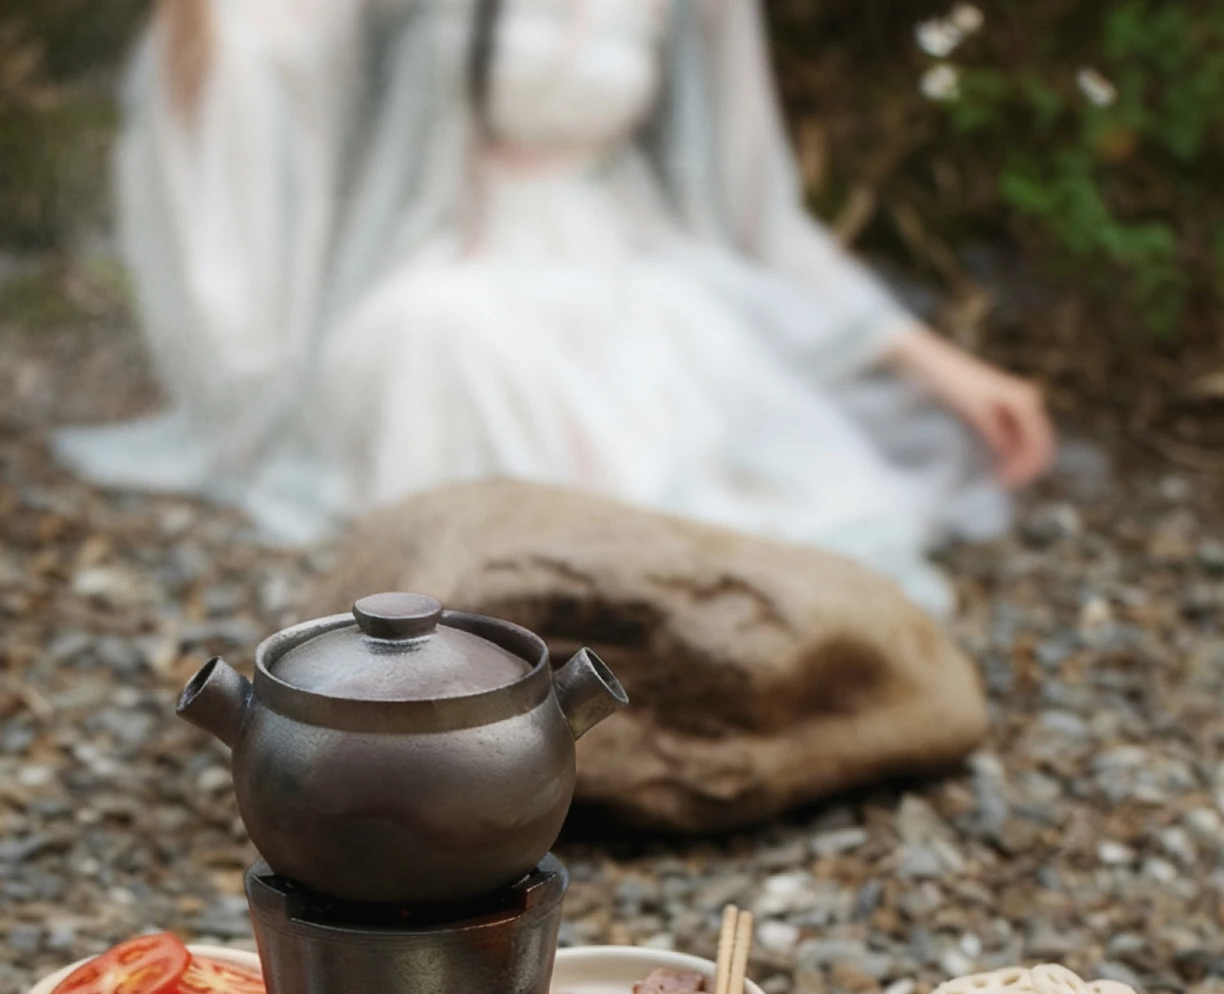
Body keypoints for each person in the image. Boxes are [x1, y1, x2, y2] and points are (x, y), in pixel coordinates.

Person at [56, 0, 1055, 613]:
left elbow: (761, 218)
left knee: (673, 397)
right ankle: (479, 643)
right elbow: (284, 55)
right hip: (451, 252)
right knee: (447, 338)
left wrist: (943, 365)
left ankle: (618, 628)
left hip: (631, 262)